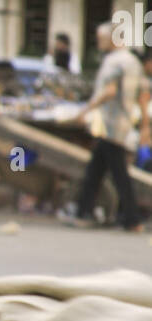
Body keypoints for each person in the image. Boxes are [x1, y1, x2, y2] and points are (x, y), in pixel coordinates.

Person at [60, 20, 145, 232]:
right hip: (122, 123)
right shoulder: (132, 61)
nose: (98, 42)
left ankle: (131, 218)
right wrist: (144, 124)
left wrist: (85, 111)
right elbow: (143, 94)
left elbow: (108, 92)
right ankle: (83, 212)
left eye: (101, 39)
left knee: (116, 173)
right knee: (96, 170)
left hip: (109, 123)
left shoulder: (114, 62)